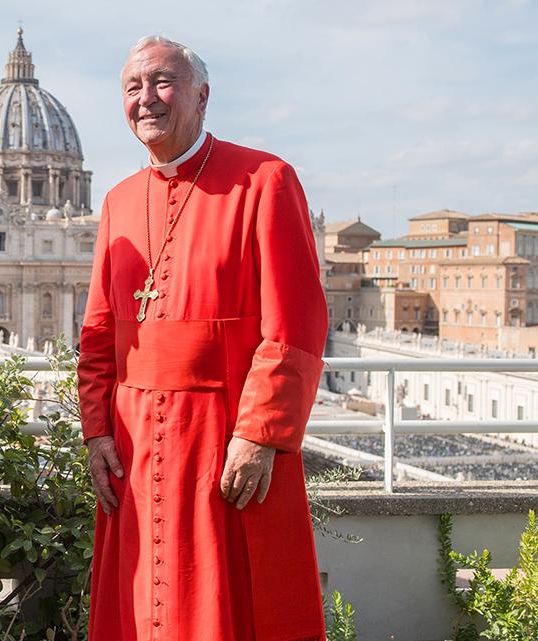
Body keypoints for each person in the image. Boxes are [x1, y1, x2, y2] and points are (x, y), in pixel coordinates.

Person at [78, 36, 328, 641]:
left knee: (230, 602)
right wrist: (97, 431)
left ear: (202, 95)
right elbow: (99, 332)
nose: (146, 99)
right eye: (133, 88)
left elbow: (295, 324)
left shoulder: (265, 180)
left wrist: (260, 434)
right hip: (135, 444)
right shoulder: (117, 200)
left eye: (162, 82)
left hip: (222, 437)